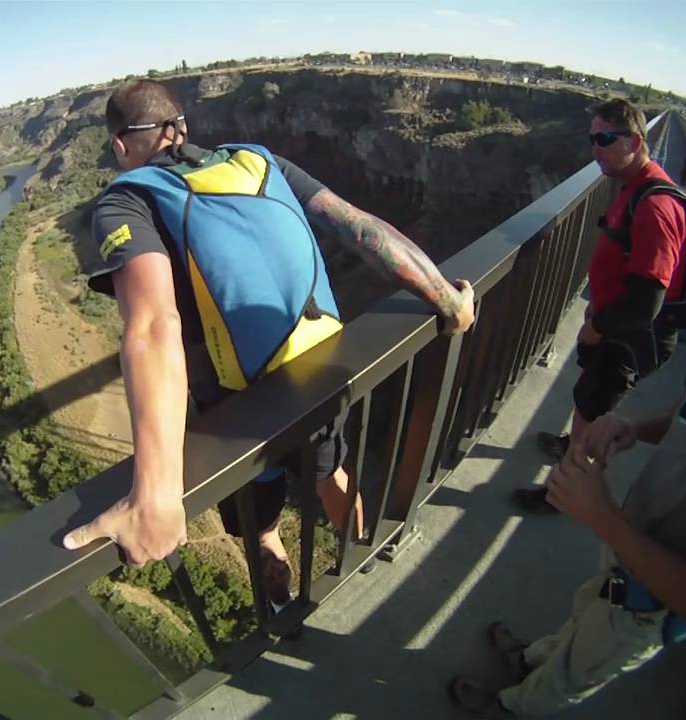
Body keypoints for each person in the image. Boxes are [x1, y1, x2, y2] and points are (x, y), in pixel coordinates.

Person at [62, 80, 475, 595]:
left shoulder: (127, 200)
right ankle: (370, 559)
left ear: (120, 146)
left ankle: (279, 610)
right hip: (321, 375)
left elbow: (153, 325)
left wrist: (155, 493)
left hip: (239, 414)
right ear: (183, 127)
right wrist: (447, 299)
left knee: (260, 523)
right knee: (334, 478)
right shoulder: (259, 159)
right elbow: (361, 229)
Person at [451, 359, 686, 718]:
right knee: (585, 615)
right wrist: (634, 427)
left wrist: (604, 518)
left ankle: (512, 707)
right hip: (627, 551)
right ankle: (530, 661)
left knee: (578, 670)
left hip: (651, 602)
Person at [517, 99, 686, 513]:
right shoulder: (633, 187)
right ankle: (572, 446)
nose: (595, 148)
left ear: (633, 140)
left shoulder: (655, 206)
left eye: (604, 139)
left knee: (593, 412)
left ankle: (563, 494)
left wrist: (597, 326)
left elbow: (646, 300)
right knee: (586, 404)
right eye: (592, 138)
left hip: (629, 338)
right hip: (614, 326)